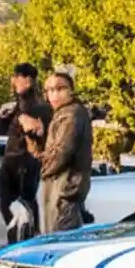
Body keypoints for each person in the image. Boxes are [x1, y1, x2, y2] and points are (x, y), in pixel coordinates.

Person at [22, 72, 93, 233]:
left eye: (60, 88)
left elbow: (60, 154)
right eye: (50, 90)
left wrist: (40, 168)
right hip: (61, 189)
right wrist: (33, 136)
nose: (54, 94)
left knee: (59, 242)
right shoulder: (62, 114)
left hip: (65, 190)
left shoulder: (71, 114)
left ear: (71, 91)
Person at [0, 63, 53, 243]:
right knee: (10, 204)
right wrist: (3, 116)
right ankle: (21, 236)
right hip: (13, 157)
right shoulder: (18, 104)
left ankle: (26, 239)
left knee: (21, 203)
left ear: (27, 80)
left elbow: (35, 130)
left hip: (23, 160)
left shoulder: (35, 105)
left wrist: (24, 121)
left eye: (16, 77)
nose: (13, 81)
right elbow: (0, 131)